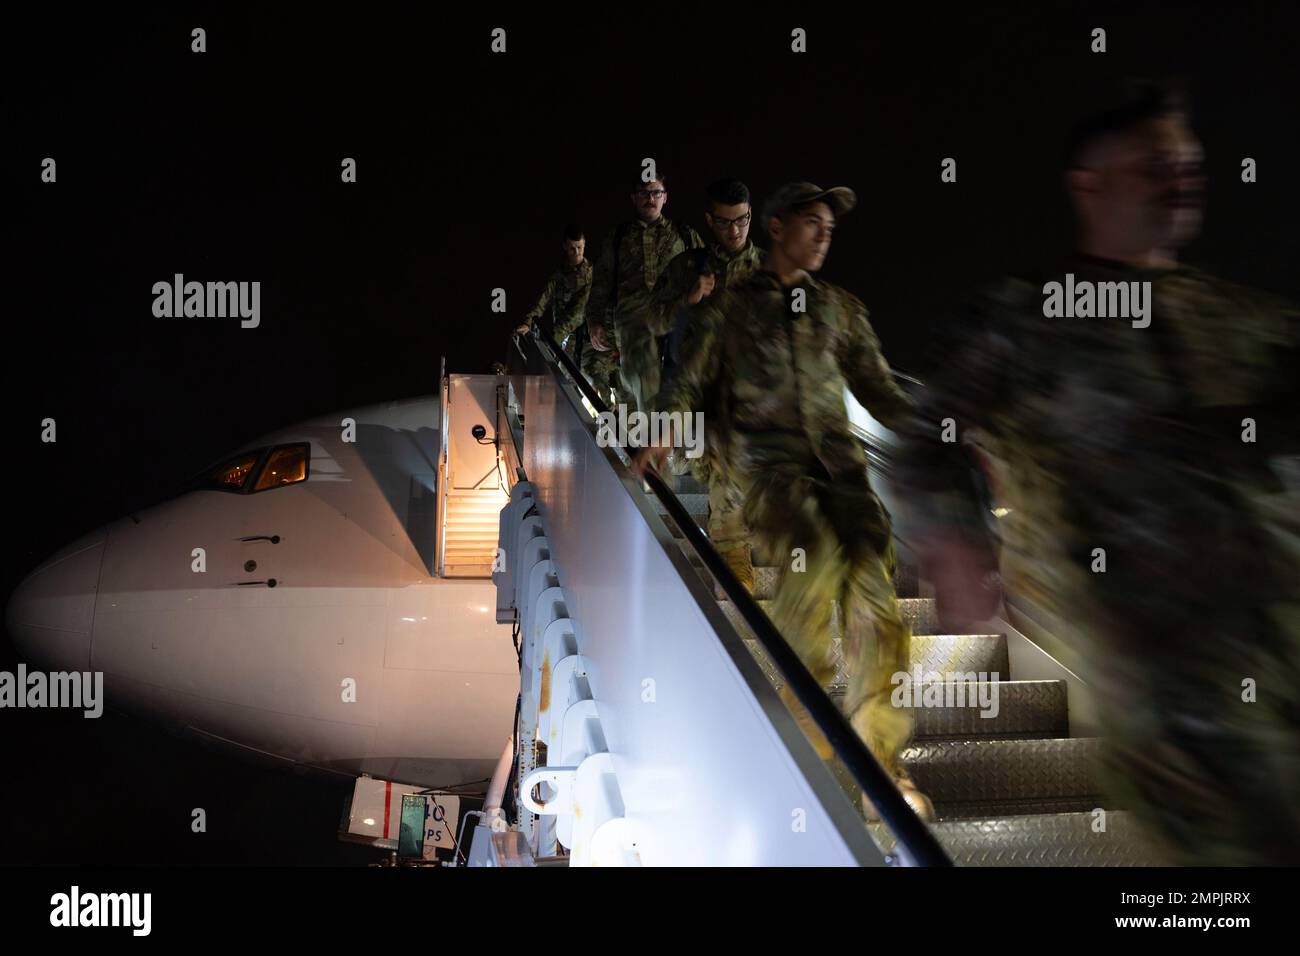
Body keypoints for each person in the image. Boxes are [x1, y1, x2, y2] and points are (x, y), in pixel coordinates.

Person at [894, 84, 1300, 863]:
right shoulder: (1027, 318)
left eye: (1189, 164)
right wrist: (953, 544)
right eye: (1156, 164)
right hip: (1167, 678)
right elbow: (924, 435)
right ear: (1091, 185)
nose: (1181, 178)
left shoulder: (1244, 316)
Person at [638, 182, 933, 820]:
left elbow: (880, 389)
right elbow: (687, 379)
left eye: (830, 226)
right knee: (812, 574)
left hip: (845, 474)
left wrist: (938, 433)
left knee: (879, 611)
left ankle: (882, 769)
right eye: (811, 223)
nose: (824, 234)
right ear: (776, 228)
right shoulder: (731, 306)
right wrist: (659, 436)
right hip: (771, 472)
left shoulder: (841, 309)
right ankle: (809, 753)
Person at [584, 174, 702, 412]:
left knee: (680, 386)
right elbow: (600, 283)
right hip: (633, 322)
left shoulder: (684, 235)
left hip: (675, 318)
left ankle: (672, 445)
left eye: (656, 192)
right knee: (642, 382)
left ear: (665, 197)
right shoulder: (618, 237)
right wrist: (594, 321)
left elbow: (705, 272)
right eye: (644, 193)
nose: (650, 198)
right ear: (634, 198)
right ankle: (646, 445)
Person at [514, 224, 592, 364]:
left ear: (584, 243)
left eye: (579, 247)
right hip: (562, 336)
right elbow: (543, 299)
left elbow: (579, 311)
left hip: (586, 336)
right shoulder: (559, 275)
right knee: (558, 371)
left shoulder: (593, 275)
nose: (576, 252)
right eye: (572, 248)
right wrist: (528, 322)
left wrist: (557, 337)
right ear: (565, 247)